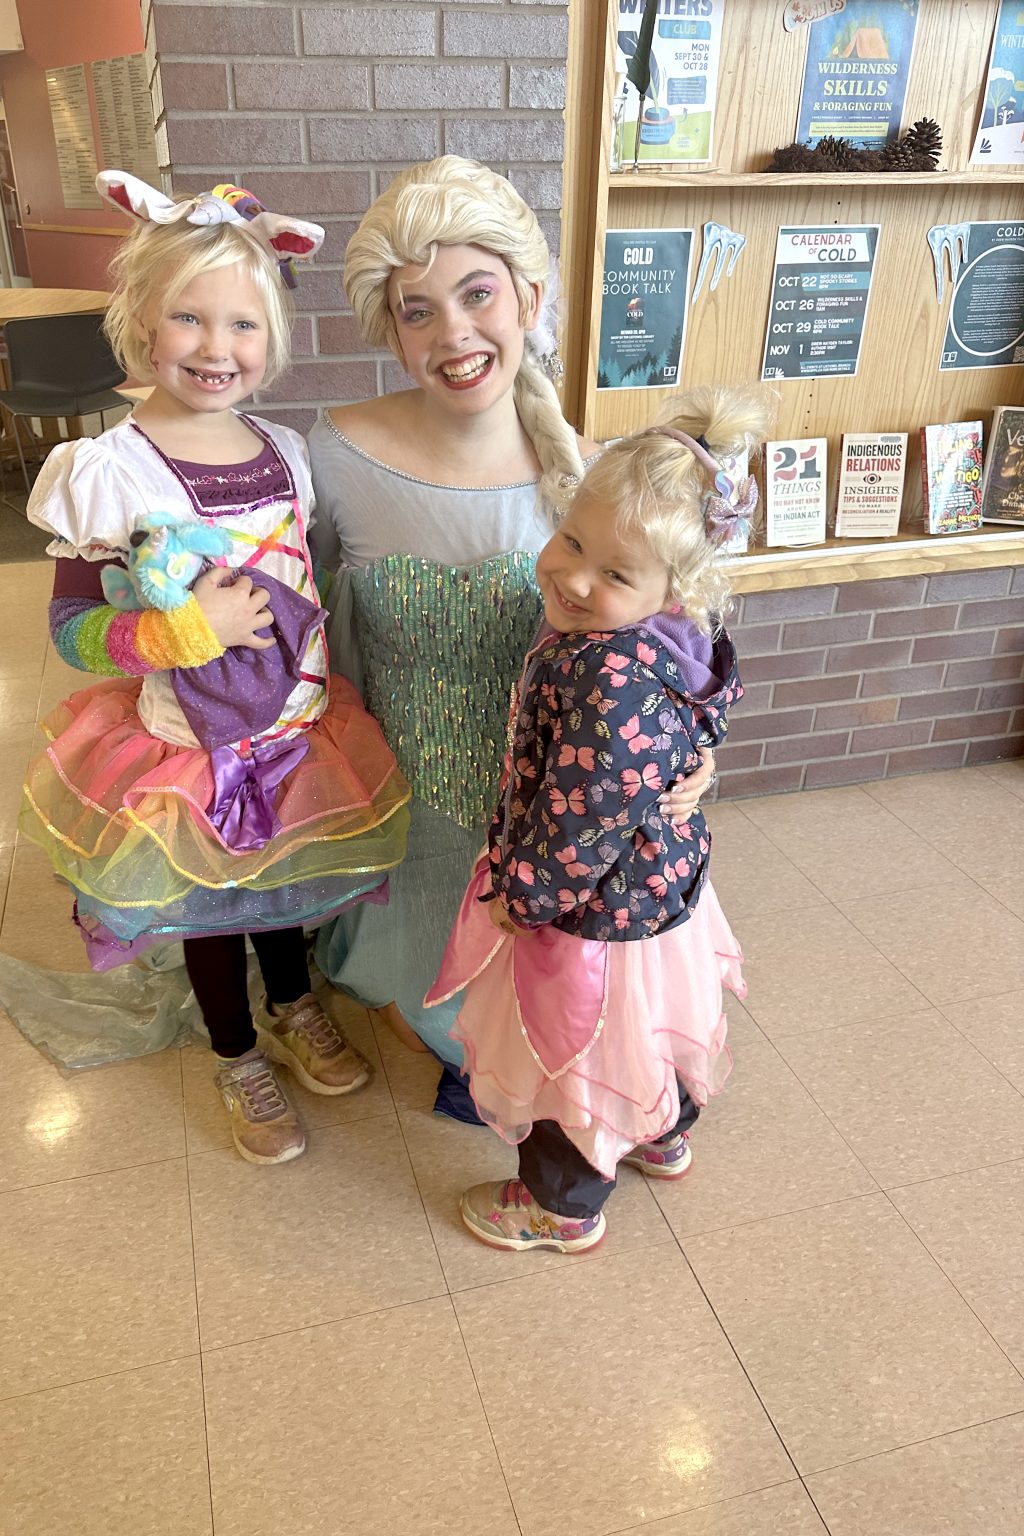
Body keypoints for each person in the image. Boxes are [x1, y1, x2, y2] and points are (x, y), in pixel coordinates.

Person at [309, 156, 714, 1120]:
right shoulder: (333, 454)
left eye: (478, 294)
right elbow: (310, 638)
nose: (453, 333)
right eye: (418, 311)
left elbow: (672, 650)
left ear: (529, 297)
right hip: (411, 813)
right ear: (392, 331)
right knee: (447, 999)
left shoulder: (596, 478)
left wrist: (697, 755)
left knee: (575, 1016)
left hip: (557, 818)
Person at [19, 170, 410, 1165]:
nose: (215, 347)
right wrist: (176, 634)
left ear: (271, 337)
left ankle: (291, 1004)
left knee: (276, 879)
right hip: (192, 745)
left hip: (297, 726)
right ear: (141, 324)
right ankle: (235, 1051)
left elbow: (304, 574)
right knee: (208, 903)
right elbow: (71, 626)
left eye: (242, 324)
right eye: (188, 318)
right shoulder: (110, 468)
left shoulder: (285, 449)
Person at [426, 386, 768, 1252]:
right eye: (573, 541)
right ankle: (662, 1131)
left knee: (570, 1058)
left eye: (615, 575)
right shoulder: (671, 636)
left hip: (591, 910)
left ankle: (562, 1205)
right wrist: (700, 758)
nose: (575, 579)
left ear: (669, 589)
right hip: (661, 891)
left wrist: (523, 897)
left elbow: (584, 816)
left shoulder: (604, 676)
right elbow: (698, 716)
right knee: (649, 1025)